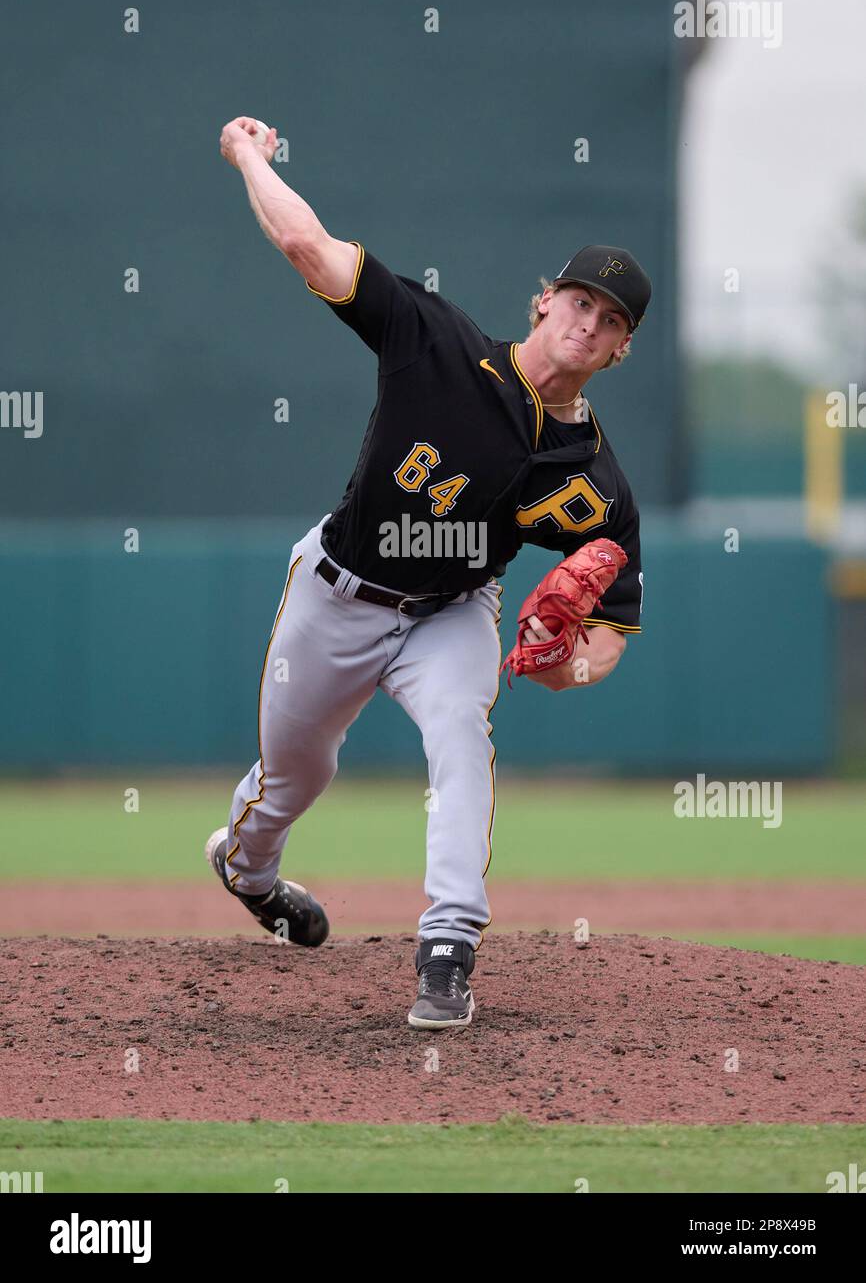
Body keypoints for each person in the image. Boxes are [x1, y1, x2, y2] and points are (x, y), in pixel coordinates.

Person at [206, 116, 652, 1030]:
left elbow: (612, 625)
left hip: (451, 610)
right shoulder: (433, 338)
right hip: (336, 592)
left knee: (460, 733)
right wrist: (248, 153)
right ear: (544, 304)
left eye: (610, 322)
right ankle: (246, 868)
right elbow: (304, 243)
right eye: (579, 302)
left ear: (617, 352)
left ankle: (447, 948)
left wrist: (569, 666)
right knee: (296, 776)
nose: (589, 323)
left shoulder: (595, 480)